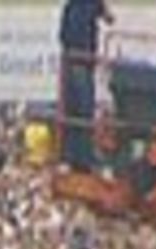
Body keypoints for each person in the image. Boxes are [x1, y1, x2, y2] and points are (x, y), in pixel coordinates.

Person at [58, 0, 112, 171]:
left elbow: (62, 36)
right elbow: (109, 18)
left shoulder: (72, 7)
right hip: (81, 62)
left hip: (73, 61)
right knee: (82, 110)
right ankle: (82, 158)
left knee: (74, 111)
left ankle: (72, 157)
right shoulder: (85, 6)